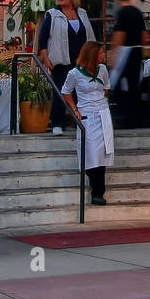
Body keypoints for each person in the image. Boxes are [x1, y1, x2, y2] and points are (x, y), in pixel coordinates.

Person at [61, 40, 115, 205]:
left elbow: (106, 86)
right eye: (101, 53)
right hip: (87, 114)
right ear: (92, 54)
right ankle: (94, 187)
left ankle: (99, 192)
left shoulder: (103, 69)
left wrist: (99, 99)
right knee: (91, 152)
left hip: (102, 113)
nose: (103, 55)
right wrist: (75, 109)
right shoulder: (75, 74)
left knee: (104, 152)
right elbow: (66, 92)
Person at [38, 0, 95, 130]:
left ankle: (80, 122)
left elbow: (89, 35)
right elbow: (42, 39)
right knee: (60, 91)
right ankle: (57, 123)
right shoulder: (52, 14)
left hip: (81, 60)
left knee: (80, 91)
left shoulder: (81, 13)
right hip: (61, 59)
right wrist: (45, 57)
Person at [108, 0, 147, 128]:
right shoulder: (137, 12)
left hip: (125, 51)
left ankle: (121, 118)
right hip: (138, 50)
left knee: (116, 84)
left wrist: (114, 53)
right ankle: (136, 119)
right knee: (134, 85)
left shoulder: (122, 13)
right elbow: (144, 35)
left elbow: (120, 35)